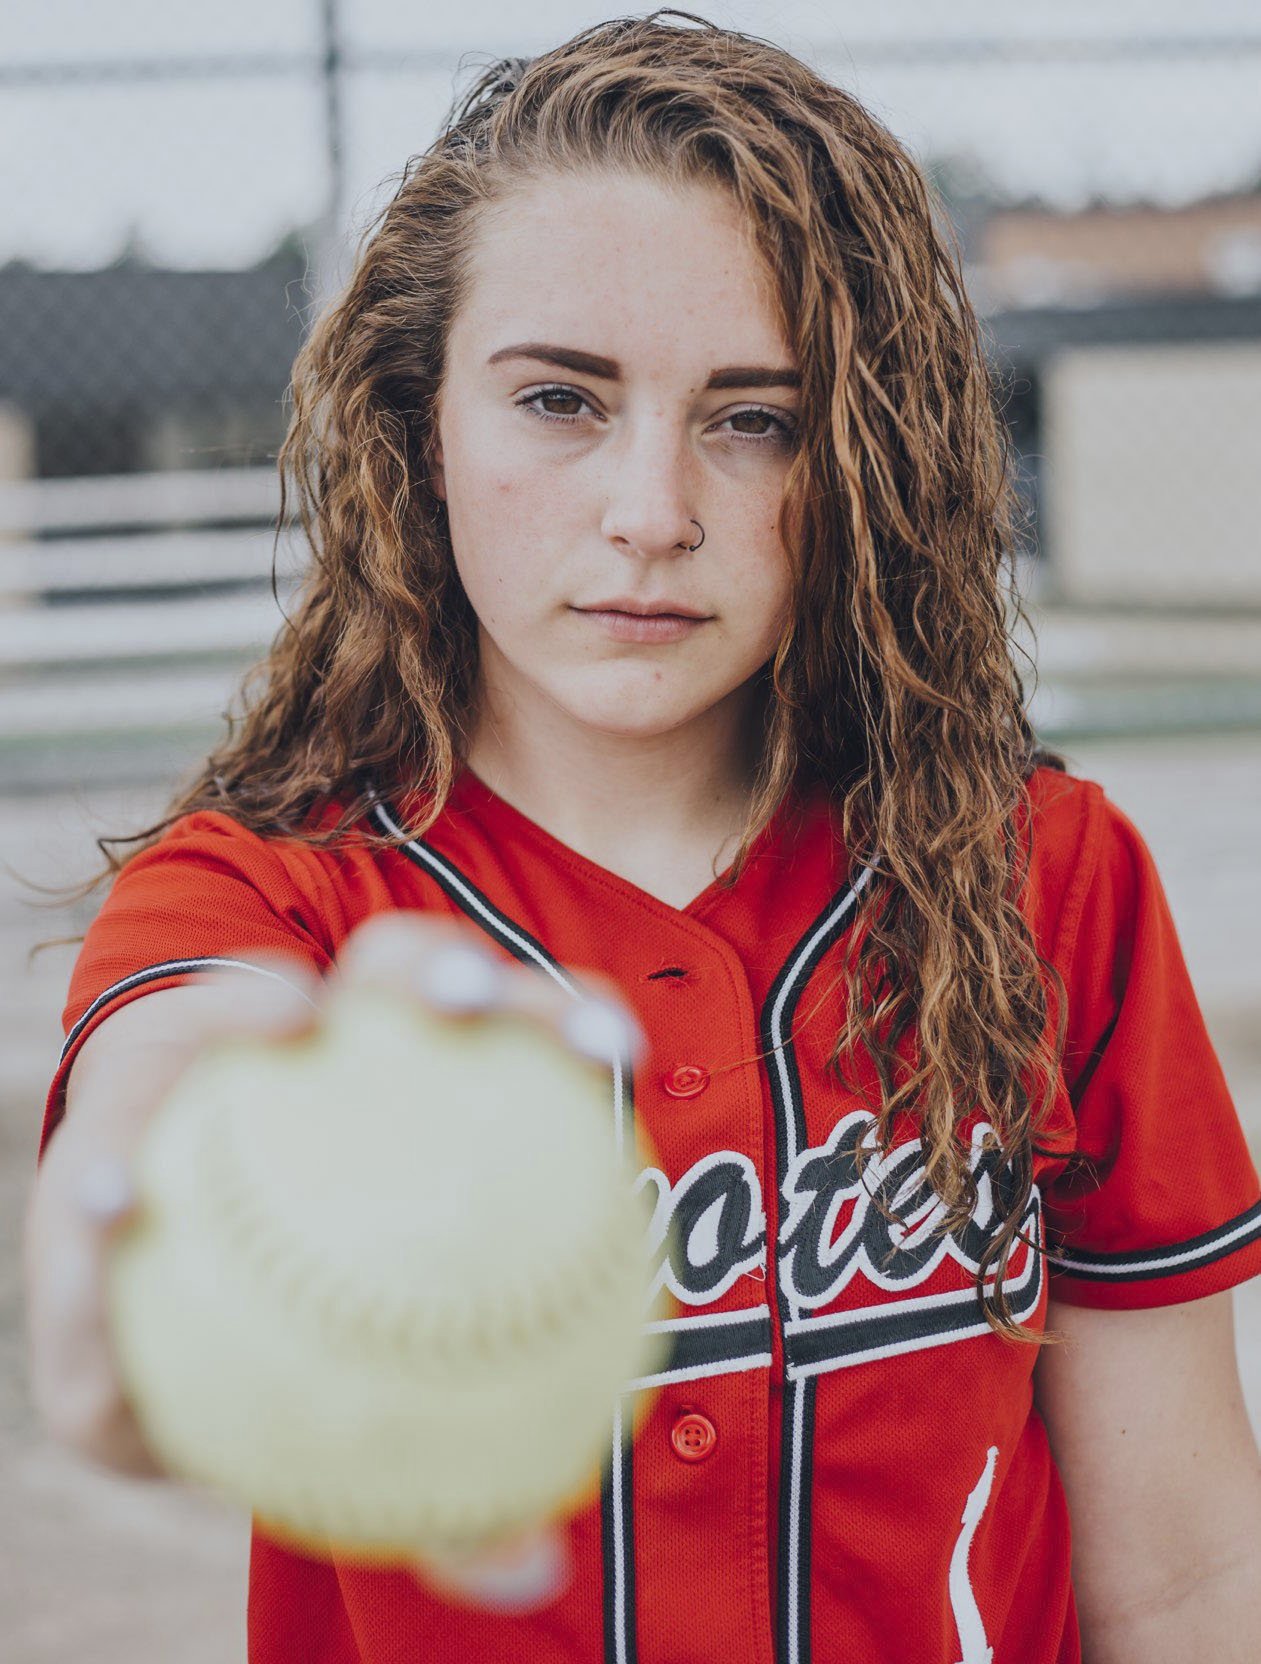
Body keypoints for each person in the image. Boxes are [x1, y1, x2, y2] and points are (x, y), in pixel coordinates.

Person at [22, 11, 1261, 1663]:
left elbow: (1182, 1578)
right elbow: (177, 1066)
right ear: (422, 422)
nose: (650, 510)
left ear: (861, 459)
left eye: (752, 418)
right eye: (558, 399)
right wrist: (168, 1199)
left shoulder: (1038, 875)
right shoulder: (270, 904)